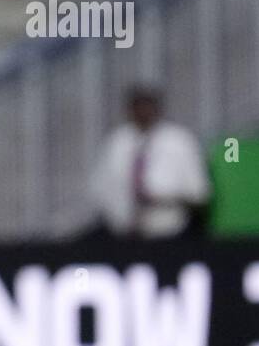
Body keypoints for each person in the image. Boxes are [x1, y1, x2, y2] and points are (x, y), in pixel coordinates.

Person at [89, 86, 210, 238]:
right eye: (137, 107)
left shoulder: (179, 140)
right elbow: (101, 186)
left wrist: (163, 198)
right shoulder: (118, 141)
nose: (142, 112)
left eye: (146, 107)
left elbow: (198, 194)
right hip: (123, 233)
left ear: (157, 109)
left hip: (169, 232)